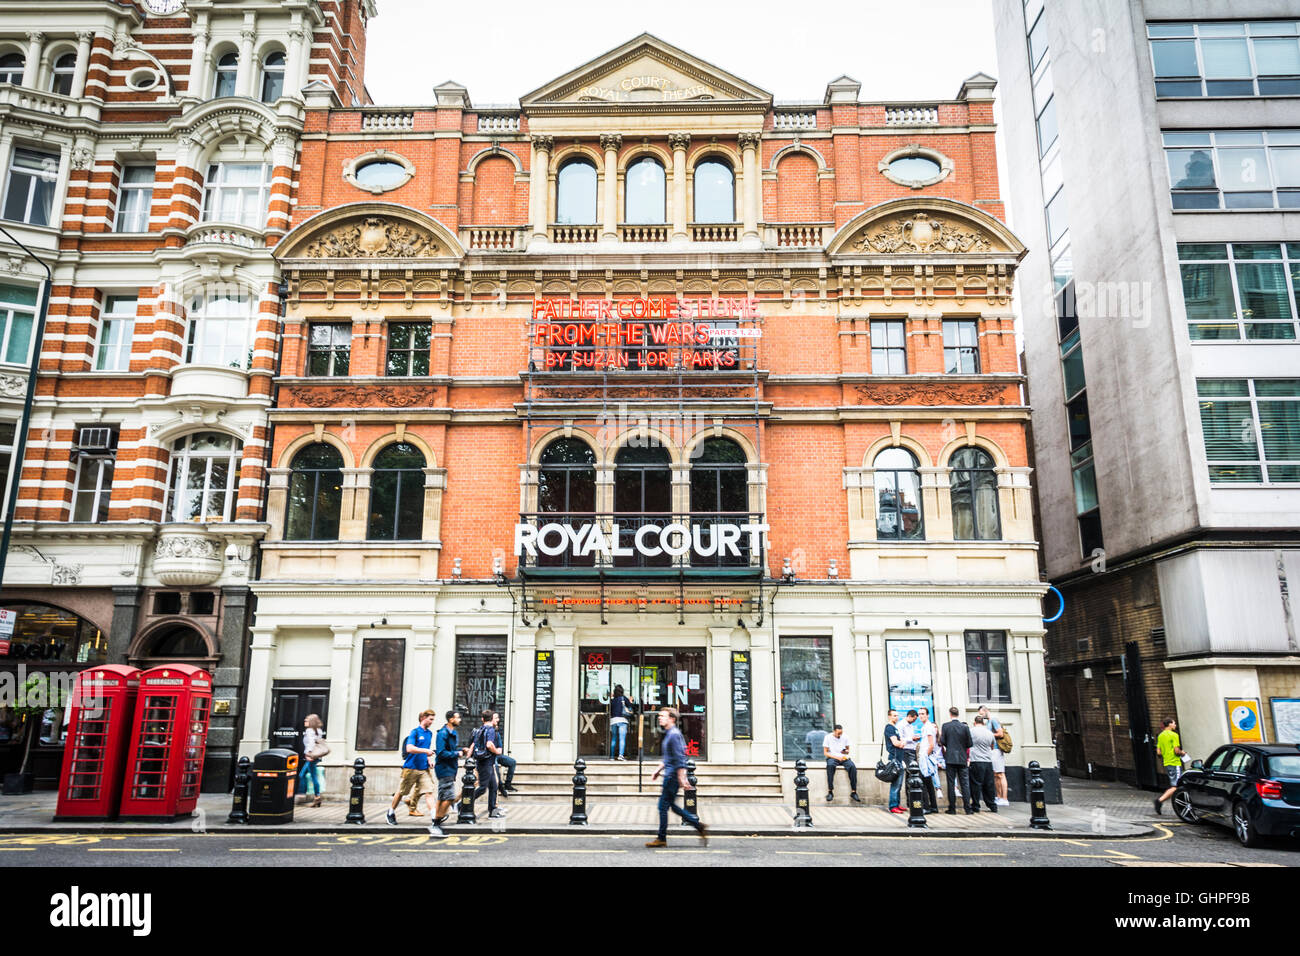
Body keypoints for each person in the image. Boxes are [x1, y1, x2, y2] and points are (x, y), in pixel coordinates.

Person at [645, 707, 708, 848]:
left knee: (662, 807)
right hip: (670, 774)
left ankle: (661, 838)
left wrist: (682, 778)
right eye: (659, 716)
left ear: (672, 718)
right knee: (671, 806)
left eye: (663, 716)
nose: (660, 718)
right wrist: (657, 770)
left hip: (672, 777)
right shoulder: (669, 733)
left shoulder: (674, 734)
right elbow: (669, 758)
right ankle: (698, 825)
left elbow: (680, 758)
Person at [387, 710, 438, 826]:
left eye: (433, 720)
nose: (432, 722)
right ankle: (390, 812)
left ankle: (435, 818)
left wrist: (429, 760)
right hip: (411, 768)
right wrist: (426, 751)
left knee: (429, 792)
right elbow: (409, 748)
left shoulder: (429, 733)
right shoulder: (414, 732)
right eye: (430, 719)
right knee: (401, 792)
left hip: (424, 769)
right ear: (423, 718)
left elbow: (426, 749)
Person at [471, 710, 507, 820]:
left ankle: (492, 811)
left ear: (482, 719)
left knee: (493, 786)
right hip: (486, 763)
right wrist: (497, 751)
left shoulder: (480, 729)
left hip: (485, 762)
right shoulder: (490, 729)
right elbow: (489, 744)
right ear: (491, 719)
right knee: (482, 788)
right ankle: (462, 805)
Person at [939, 706, 973, 814]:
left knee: (950, 783)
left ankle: (952, 808)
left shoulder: (946, 726)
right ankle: (968, 808)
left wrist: (950, 745)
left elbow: (943, 741)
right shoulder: (964, 727)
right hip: (962, 758)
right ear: (958, 714)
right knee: (965, 784)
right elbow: (970, 743)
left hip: (950, 758)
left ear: (950, 714)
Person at [1153, 717, 1187, 815]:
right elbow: (1176, 751)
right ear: (1170, 724)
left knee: (1175, 784)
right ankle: (1159, 801)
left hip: (1167, 763)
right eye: (1174, 723)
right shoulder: (1174, 735)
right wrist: (1182, 753)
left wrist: (1166, 754)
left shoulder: (1160, 736)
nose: (1175, 725)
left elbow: (1158, 752)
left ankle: (1179, 803)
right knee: (1176, 785)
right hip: (1175, 762)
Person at [822, 724, 862, 803]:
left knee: (852, 767)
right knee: (830, 766)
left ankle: (854, 792)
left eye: (841, 733)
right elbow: (825, 753)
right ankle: (830, 791)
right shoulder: (828, 737)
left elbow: (847, 751)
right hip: (832, 757)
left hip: (843, 758)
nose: (840, 735)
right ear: (834, 731)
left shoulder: (845, 737)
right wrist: (837, 758)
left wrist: (845, 751)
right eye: (838, 733)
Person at [979, 705, 1009, 806]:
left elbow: (1000, 734)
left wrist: (989, 734)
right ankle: (999, 796)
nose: (982, 716)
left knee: (1000, 774)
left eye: (982, 714)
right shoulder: (988, 722)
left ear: (986, 711)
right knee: (996, 774)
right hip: (992, 750)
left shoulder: (994, 720)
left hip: (996, 750)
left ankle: (1004, 798)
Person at [968, 715, 998, 812]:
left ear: (974, 722)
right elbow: (992, 746)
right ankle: (992, 805)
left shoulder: (971, 731)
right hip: (988, 761)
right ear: (983, 723)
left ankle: (976, 805)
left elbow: (967, 744)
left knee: (975, 784)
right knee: (989, 784)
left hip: (976, 760)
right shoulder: (990, 733)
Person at [915, 707, 939, 812]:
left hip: (925, 758)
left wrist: (924, 757)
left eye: (923, 714)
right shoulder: (925, 727)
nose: (921, 716)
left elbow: (931, 745)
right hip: (926, 757)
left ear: (927, 715)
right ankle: (933, 806)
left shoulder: (928, 727)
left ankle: (926, 807)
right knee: (928, 783)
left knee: (924, 783)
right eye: (919, 714)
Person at [883, 709, 907, 813]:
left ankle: (897, 804)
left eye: (897, 716)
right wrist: (902, 742)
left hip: (898, 759)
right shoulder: (889, 728)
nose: (896, 718)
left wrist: (901, 742)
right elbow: (896, 743)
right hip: (894, 759)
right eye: (894, 716)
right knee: (895, 785)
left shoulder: (894, 728)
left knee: (899, 784)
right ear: (889, 716)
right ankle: (893, 806)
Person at [299, 713, 326, 809]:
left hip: (311, 756)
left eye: (306, 720)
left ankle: (308, 796)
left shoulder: (310, 731)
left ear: (311, 722)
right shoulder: (318, 731)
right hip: (315, 756)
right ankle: (314, 796)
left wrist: (308, 754)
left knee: (307, 775)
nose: (304, 722)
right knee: (304, 775)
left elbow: (310, 743)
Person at [610, 684, 633, 761]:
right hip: (622, 720)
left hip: (613, 720)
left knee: (613, 738)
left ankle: (612, 756)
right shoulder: (624, 698)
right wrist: (630, 701)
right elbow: (630, 707)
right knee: (622, 739)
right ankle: (620, 755)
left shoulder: (612, 700)